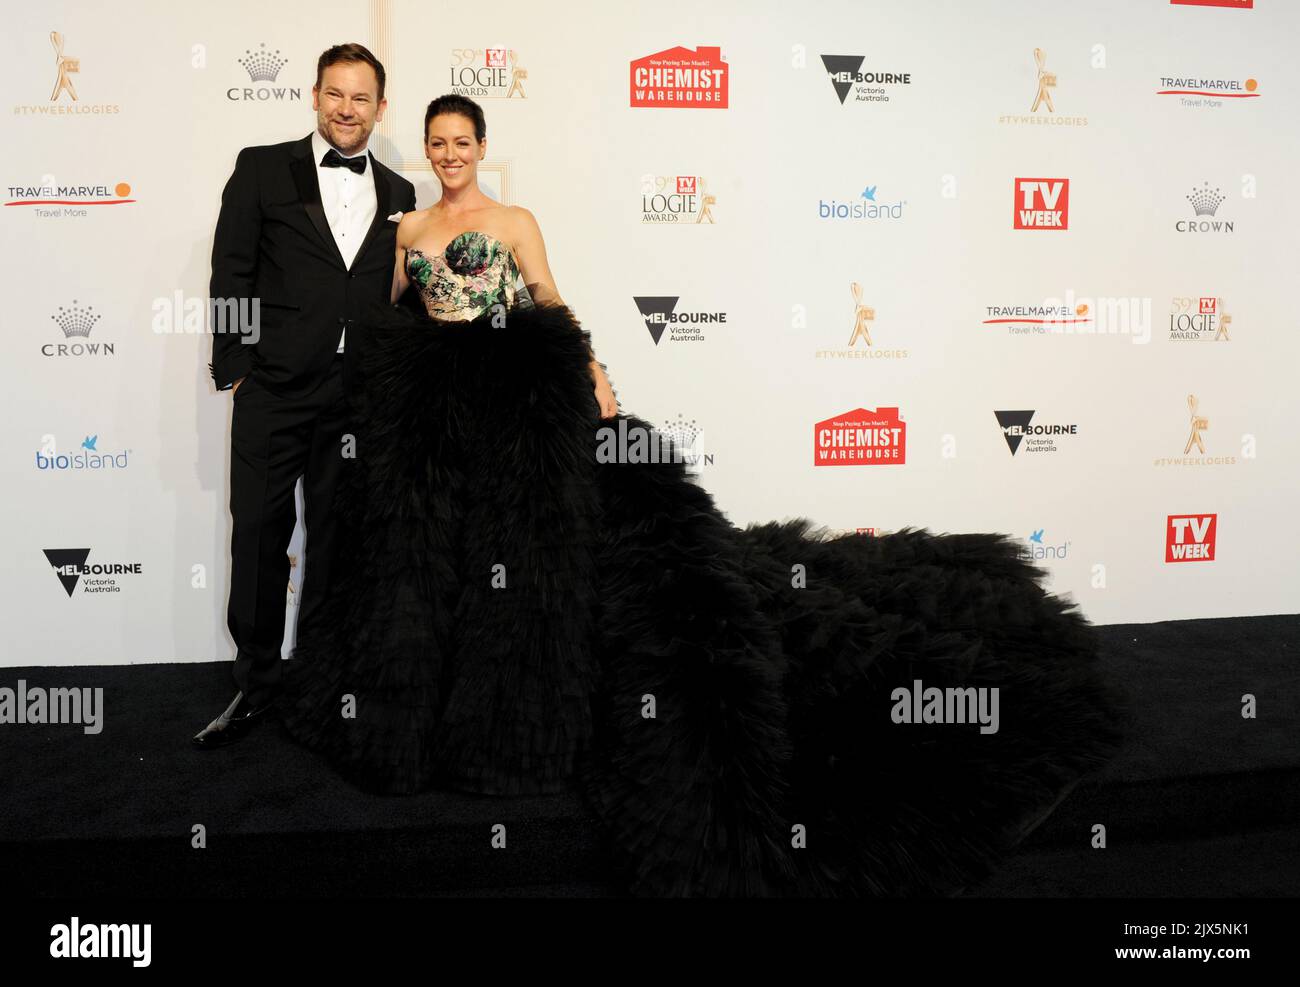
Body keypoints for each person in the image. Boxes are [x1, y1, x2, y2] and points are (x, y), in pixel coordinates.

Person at [276, 94, 1128, 897]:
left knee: (551, 563)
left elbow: (548, 297)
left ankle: (530, 727)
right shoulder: (411, 226)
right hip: (440, 420)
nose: (450, 154)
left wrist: (591, 366)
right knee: (440, 568)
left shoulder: (514, 221)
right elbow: (401, 312)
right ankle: (442, 724)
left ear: (482, 148)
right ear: (423, 148)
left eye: (463, 142)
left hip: (521, 407)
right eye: (438, 142)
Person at [193, 44, 417, 749]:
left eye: (362, 99)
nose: (347, 109)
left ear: (381, 109)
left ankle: (320, 677)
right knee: (259, 533)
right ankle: (257, 681)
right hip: (275, 389)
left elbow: (401, 297)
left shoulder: (402, 193)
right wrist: (235, 365)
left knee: (335, 542)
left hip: (355, 398)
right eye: (336, 95)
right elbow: (231, 267)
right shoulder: (262, 167)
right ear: (315, 96)